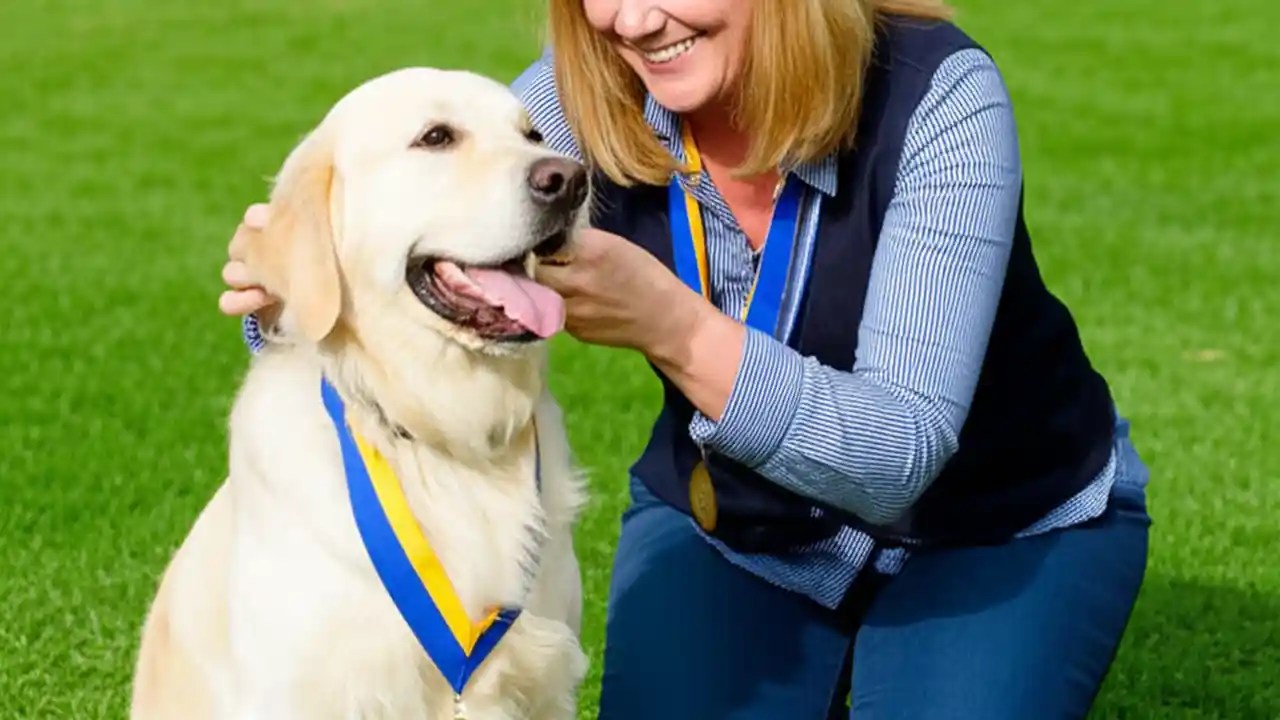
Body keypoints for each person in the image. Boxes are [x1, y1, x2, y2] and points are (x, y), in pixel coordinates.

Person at [219, 1, 1153, 717]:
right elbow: (420, 220)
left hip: (993, 525)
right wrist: (287, 288)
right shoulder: (586, 92)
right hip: (733, 523)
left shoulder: (939, 96)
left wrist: (674, 327)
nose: (633, 21)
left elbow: (900, 449)